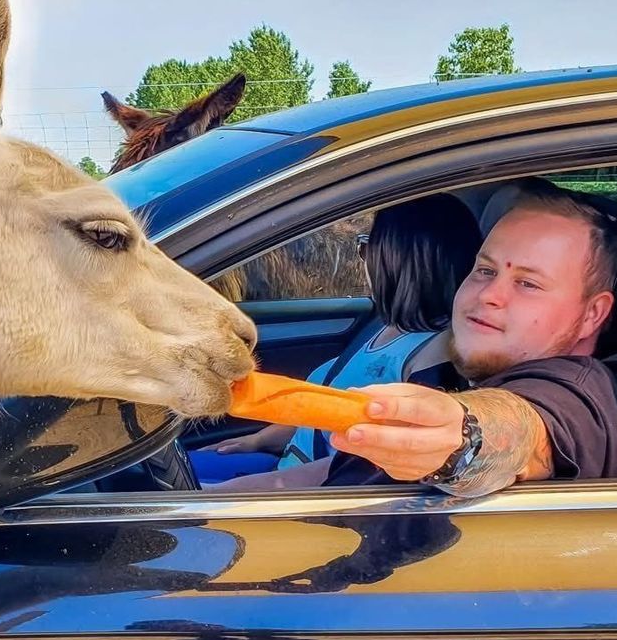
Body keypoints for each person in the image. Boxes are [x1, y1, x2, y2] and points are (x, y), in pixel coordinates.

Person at [213, 181, 617, 496]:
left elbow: (525, 430)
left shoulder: (583, 395)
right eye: (485, 270)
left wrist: (463, 439)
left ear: (594, 313)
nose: (489, 295)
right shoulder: (462, 372)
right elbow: (337, 474)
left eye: (528, 284)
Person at [190, 193, 482, 484]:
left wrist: (240, 490)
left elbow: (366, 468)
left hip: (313, 491)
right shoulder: (383, 325)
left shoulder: (434, 353)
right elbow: (320, 414)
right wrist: (257, 441)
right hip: (283, 467)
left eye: (367, 247)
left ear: (395, 260)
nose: (363, 257)